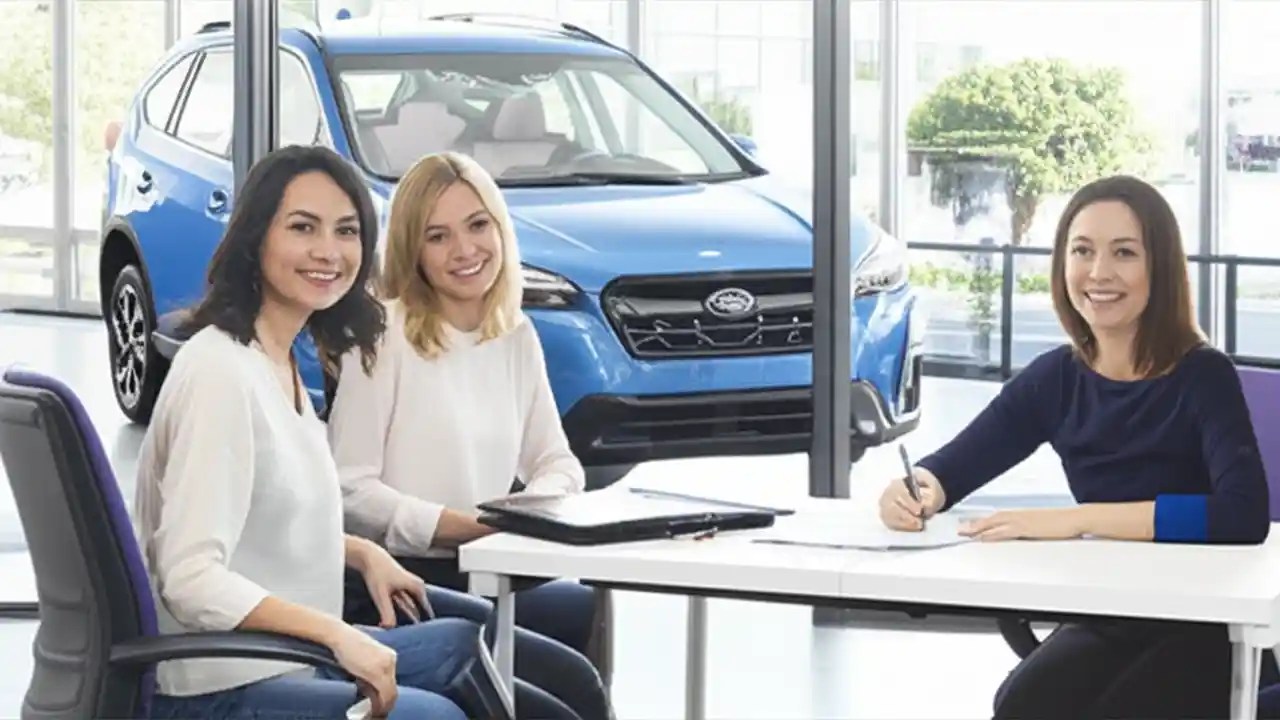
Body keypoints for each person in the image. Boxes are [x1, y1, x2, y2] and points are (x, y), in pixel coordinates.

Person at [131, 145, 555, 719]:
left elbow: (263, 517)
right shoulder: (220, 374)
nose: (328, 251)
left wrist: (355, 552)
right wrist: (336, 634)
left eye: (346, 231)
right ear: (256, 238)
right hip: (218, 685)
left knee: (463, 647)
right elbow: (190, 577)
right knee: (437, 715)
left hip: (280, 657)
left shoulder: (275, 364)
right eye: (303, 228)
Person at [877, 174, 1271, 719]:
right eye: (1082, 250)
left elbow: (1242, 515)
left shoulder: (1203, 375)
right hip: (1111, 612)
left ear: (1159, 267)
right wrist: (914, 489)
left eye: (1124, 253)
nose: (1099, 272)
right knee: (1022, 706)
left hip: (1207, 625)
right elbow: (953, 467)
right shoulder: (1057, 378)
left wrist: (1080, 519)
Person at [326, 151, 611, 719]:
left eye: (478, 225)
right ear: (414, 249)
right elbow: (348, 491)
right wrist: (463, 528)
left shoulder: (514, 333)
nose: (465, 250)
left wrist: (525, 515)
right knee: (570, 692)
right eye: (438, 236)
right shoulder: (383, 337)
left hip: (489, 563)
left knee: (589, 611)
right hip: (402, 581)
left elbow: (557, 461)